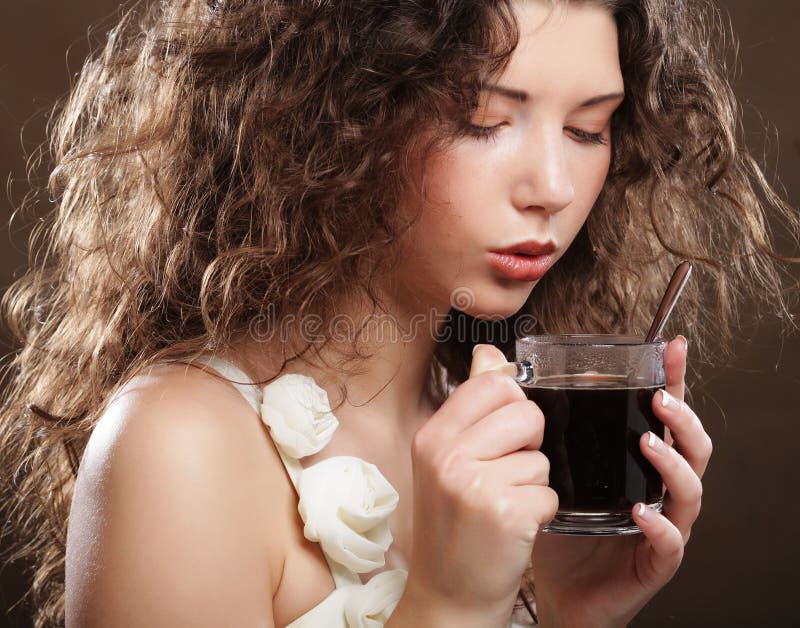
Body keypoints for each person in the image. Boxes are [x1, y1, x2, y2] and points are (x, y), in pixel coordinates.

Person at [1, 0, 797, 626]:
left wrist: (566, 617)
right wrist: (449, 609)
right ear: (339, 114)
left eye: (589, 128)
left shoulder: (495, 437)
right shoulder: (180, 445)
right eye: (483, 120)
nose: (553, 185)